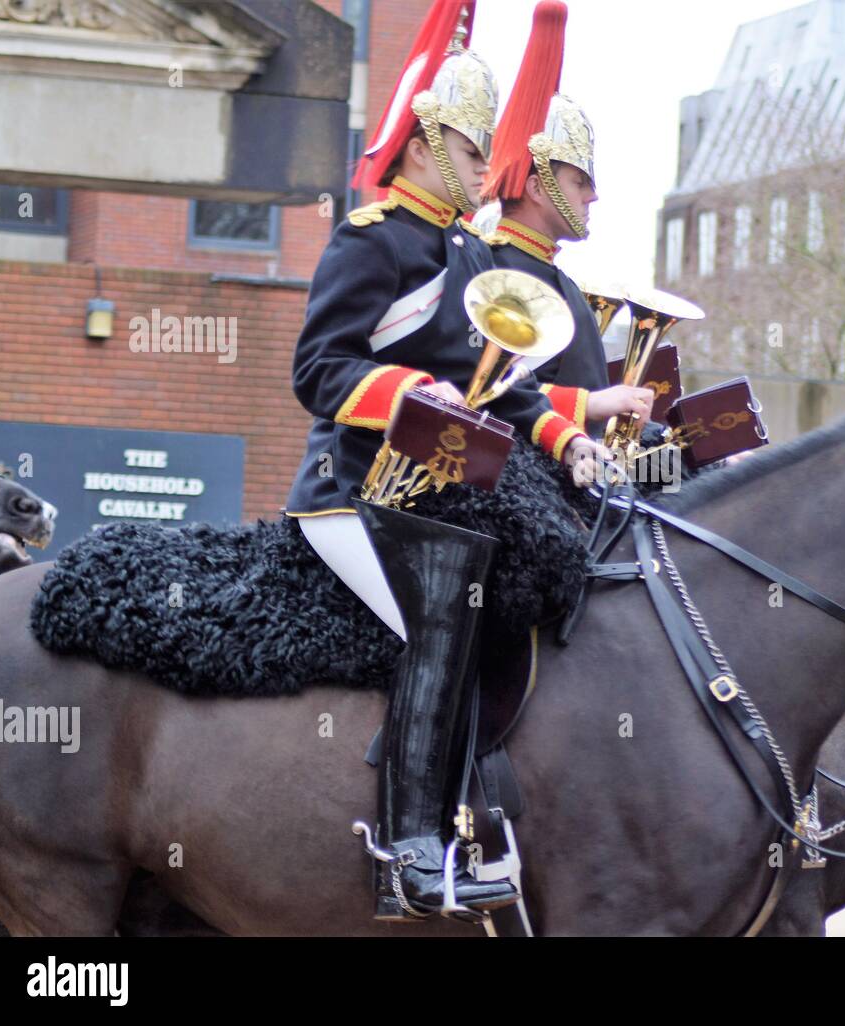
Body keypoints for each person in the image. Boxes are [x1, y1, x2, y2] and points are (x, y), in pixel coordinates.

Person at [283, 0, 598, 920]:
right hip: (352, 492)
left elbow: (505, 385)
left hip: (438, 492)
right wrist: (413, 395)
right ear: (423, 145)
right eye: (469, 147)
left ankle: (483, 812)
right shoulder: (372, 237)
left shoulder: (465, 256)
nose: (484, 162)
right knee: (449, 599)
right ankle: (409, 851)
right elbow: (319, 370)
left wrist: (569, 438)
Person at [480, 0, 653, 442]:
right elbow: (483, 395)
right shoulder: (493, 270)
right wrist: (589, 405)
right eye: (579, 182)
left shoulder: (561, 282)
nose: (592, 195)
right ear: (537, 188)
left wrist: (690, 448)